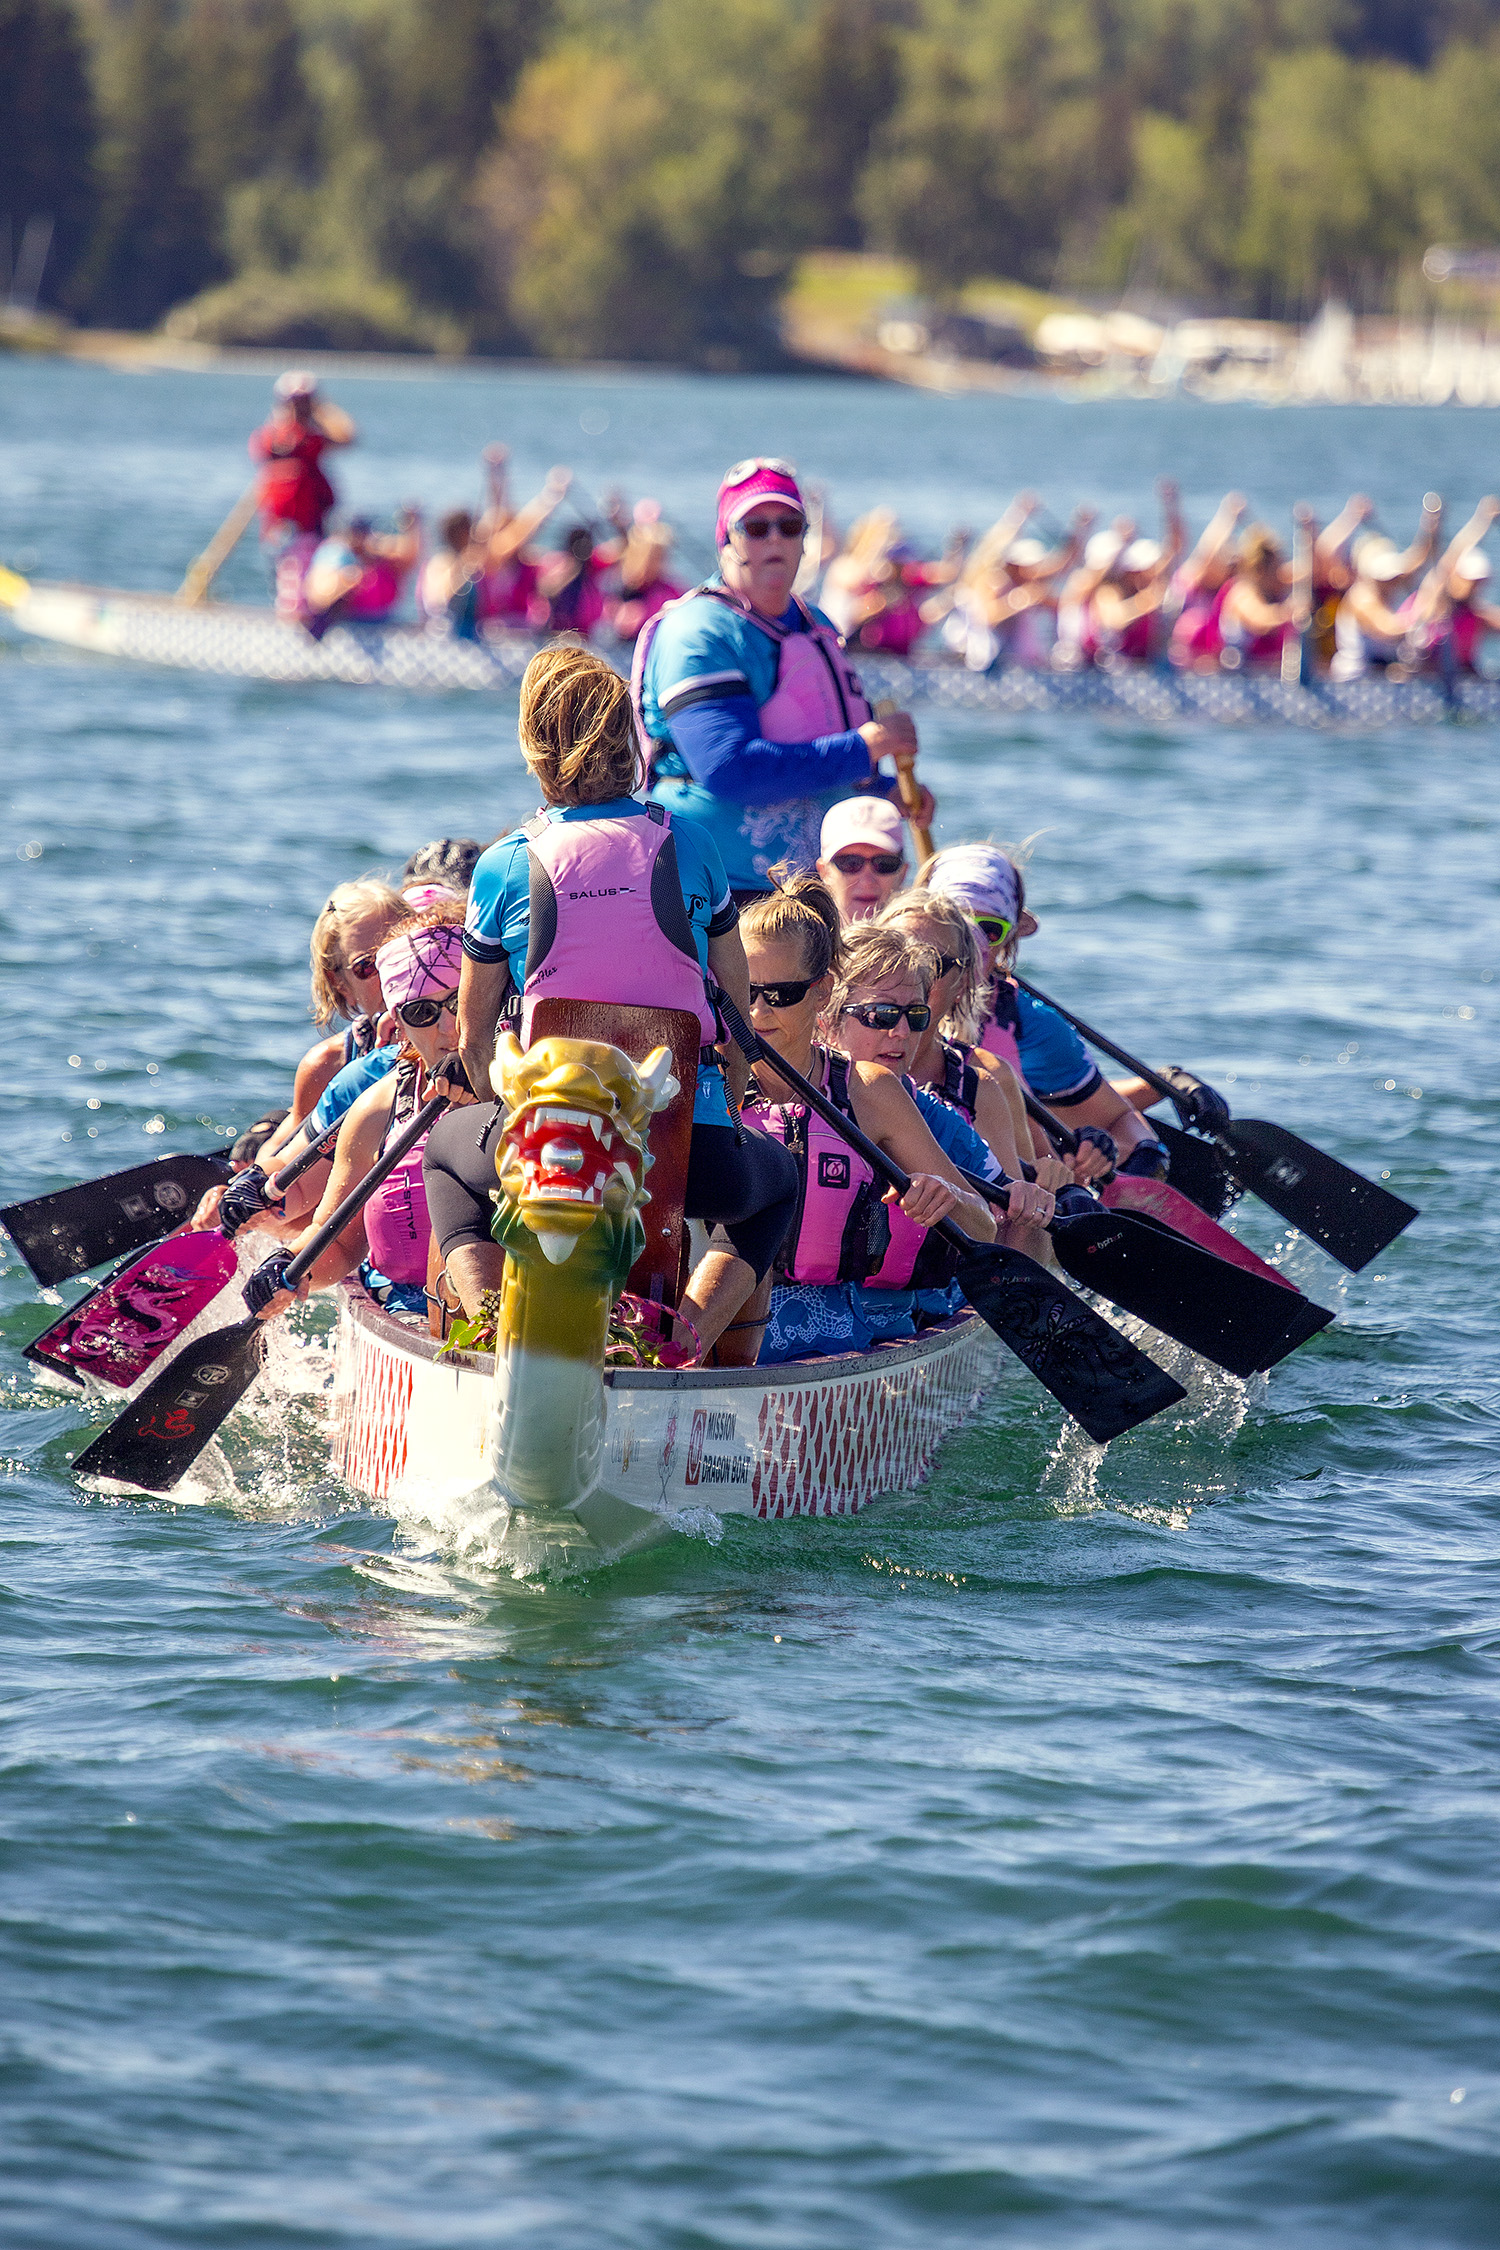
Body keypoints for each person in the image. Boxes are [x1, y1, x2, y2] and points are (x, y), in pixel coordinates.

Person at [447, 645, 798, 1364]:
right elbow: (735, 1015)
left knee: (445, 1162)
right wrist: (727, 1110)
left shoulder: (505, 863)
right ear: (631, 744)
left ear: (533, 747)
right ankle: (684, 1335)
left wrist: (502, 1112)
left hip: (548, 1152)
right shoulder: (692, 844)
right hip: (682, 1154)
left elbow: (472, 1038)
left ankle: (486, 1321)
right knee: (777, 1186)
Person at [633, 456, 934, 899]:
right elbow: (727, 769)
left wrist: (886, 791)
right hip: (714, 895)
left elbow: (826, 747)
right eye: (755, 527)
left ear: (804, 539)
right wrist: (868, 747)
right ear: (725, 539)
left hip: (811, 893)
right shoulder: (698, 632)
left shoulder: (818, 626)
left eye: (789, 525)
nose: (774, 537)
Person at [736, 889, 997, 1363]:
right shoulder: (702, 1085)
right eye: (745, 992)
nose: (757, 1011)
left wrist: (947, 1196)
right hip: (737, 1339)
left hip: (860, 1342)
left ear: (821, 992)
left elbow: (982, 1226)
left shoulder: (870, 1089)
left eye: (781, 994)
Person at [243, 906, 468, 1323]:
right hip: (408, 1313)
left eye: (459, 1001)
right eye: (424, 1012)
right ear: (399, 1021)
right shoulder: (374, 1109)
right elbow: (342, 1244)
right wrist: (294, 1267)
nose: (450, 1027)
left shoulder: (534, 1085)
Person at [914, 845, 1175, 1177]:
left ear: (1009, 940)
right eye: (957, 927)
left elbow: (1116, 1121)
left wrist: (1110, 1152)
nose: (972, 945)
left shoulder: (1032, 1026)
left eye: (989, 930)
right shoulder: (874, 1006)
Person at [250, 372, 356, 614]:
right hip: (284, 529)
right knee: (290, 584)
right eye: (295, 402)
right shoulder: (279, 436)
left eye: (304, 402)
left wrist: (321, 409)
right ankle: (297, 623)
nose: (299, 408)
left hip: (307, 527)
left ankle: (304, 620)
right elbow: (346, 436)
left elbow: (347, 437)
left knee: (301, 582)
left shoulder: (309, 438)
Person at [1329, 501, 1442, 681]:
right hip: (1355, 680)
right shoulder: (1361, 599)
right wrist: (1426, 608)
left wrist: (1431, 526)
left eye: (1393, 576)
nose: (1391, 582)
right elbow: (1388, 629)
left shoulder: (1390, 584)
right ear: (1367, 576)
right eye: (1383, 578)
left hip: (1380, 675)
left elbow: (1420, 557)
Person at [302, 511, 422, 637]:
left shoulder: (378, 558)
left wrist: (413, 526)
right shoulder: (336, 555)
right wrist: (345, 580)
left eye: (362, 534)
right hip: (346, 630)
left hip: (382, 625)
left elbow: (409, 558)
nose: (359, 539)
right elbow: (318, 597)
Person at [815, 797, 909, 924]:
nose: (867, 881)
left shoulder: (928, 939)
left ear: (903, 873)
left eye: (884, 864)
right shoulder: (801, 940)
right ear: (824, 872)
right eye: (851, 863)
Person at [1217, 525, 1297, 669]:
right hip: (1239, 678)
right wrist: (1289, 611)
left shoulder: (1269, 590)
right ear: (1260, 570)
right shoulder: (1242, 594)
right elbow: (1259, 619)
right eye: (1276, 569)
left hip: (1266, 675)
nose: (1281, 574)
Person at [606, 503, 684, 645]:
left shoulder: (670, 592)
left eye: (660, 557)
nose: (655, 564)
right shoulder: (615, 585)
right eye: (651, 557)